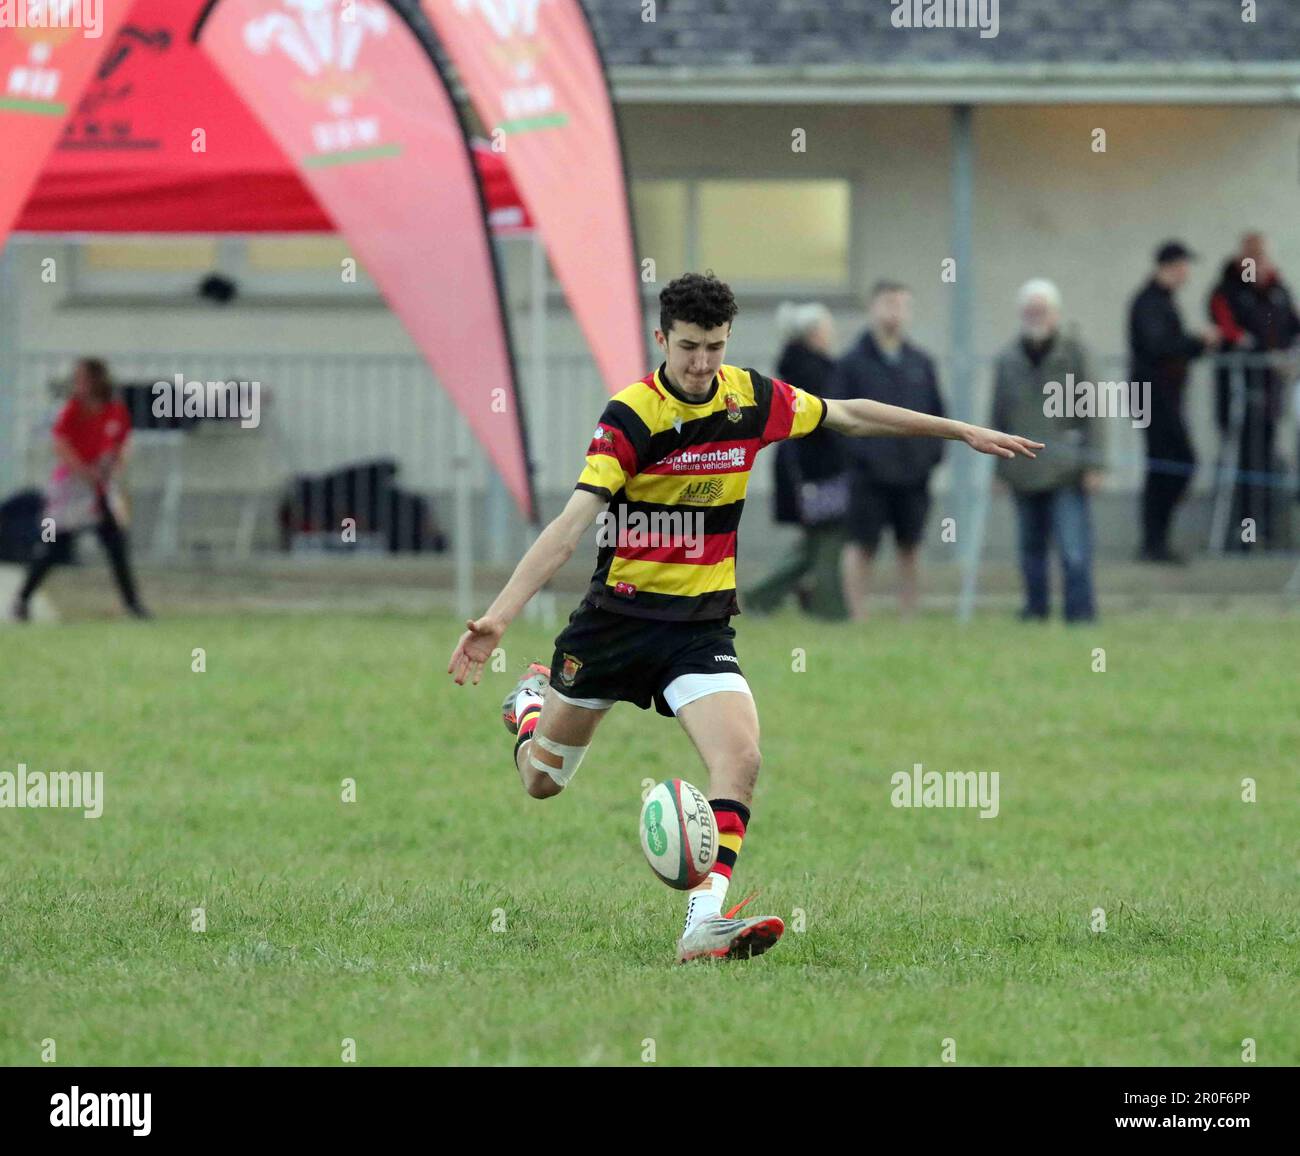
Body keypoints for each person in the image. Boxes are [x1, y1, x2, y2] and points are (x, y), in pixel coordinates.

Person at [446, 272, 1041, 964]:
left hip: (698, 629)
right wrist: (497, 619)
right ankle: (528, 708)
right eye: (690, 347)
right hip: (613, 625)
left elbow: (847, 412)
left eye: (716, 348)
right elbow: (570, 526)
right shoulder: (631, 417)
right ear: (661, 339)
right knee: (542, 781)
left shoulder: (751, 398)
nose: (703, 364)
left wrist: (960, 430)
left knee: (741, 758)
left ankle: (704, 923)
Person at [825, 281, 946, 620]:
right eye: (888, 303)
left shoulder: (921, 363)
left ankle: (909, 616)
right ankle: (858, 616)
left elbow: (937, 414)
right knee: (861, 545)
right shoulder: (851, 363)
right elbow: (837, 417)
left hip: (914, 473)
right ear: (872, 308)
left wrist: (930, 456)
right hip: (868, 476)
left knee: (911, 546)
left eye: (901, 304)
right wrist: (862, 458)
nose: (895, 311)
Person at [991, 279, 1103, 622]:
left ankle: (1080, 613)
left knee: (1073, 548)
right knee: (1030, 548)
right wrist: (998, 468)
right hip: (1022, 469)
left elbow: (1093, 412)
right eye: (1030, 311)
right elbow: (997, 415)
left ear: (1055, 314)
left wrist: (1095, 463)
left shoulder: (1075, 354)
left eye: (1042, 310)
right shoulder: (1007, 359)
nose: (1036, 317)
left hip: (1066, 469)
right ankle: (1035, 609)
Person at [10, 358, 150, 622]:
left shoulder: (115, 410)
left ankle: (132, 604)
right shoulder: (72, 410)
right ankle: (22, 599)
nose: (78, 384)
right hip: (68, 488)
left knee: (116, 544)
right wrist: (85, 472)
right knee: (53, 545)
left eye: (82, 379)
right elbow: (60, 446)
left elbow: (122, 444)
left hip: (100, 487)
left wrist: (114, 469)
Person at [744, 301, 848, 619]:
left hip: (806, 469)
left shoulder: (802, 368)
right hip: (818, 471)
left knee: (814, 543)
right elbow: (827, 424)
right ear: (814, 333)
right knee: (827, 538)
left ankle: (763, 596)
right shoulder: (815, 372)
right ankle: (828, 609)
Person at [1129, 241, 1221, 563]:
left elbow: (1171, 347)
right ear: (1170, 265)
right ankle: (1154, 540)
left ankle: (1156, 541)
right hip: (1152, 396)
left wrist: (1196, 346)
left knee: (1167, 465)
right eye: (1183, 266)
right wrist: (1196, 341)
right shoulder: (1149, 302)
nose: (1187, 273)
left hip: (1163, 395)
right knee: (1174, 463)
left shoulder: (1161, 301)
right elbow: (1159, 346)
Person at [1207, 232, 1300, 551]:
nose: (1257, 264)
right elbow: (1233, 333)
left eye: (1262, 257)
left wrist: (1288, 358)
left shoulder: (1279, 291)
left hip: (1272, 397)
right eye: (1252, 257)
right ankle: (1245, 537)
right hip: (1240, 397)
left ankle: (1269, 534)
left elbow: (1291, 326)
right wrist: (1267, 357)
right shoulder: (1226, 291)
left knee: (1268, 463)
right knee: (1244, 467)